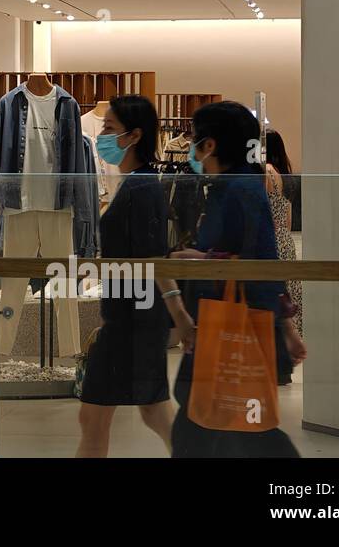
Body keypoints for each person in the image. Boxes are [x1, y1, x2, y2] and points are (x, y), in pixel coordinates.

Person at [169, 101, 307, 457]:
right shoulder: (229, 186)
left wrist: (202, 259)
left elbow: (261, 260)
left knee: (228, 422)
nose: (191, 148)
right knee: (219, 420)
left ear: (210, 145)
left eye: (195, 140)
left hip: (236, 323)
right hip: (227, 318)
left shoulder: (240, 188)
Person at [76, 95, 191, 457]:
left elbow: (153, 257)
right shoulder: (134, 184)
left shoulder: (141, 188)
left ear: (135, 136)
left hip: (134, 322)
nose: (102, 136)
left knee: (98, 415)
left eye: (110, 128)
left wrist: (180, 317)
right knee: (149, 412)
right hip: (131, 318)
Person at [264, 129, 303, 380]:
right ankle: (284, 364)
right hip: (284, 239)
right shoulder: (283, 175)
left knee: (274, 299)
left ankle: (279, 363)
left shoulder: (266, 172)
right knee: (285, 298)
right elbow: (286, 218)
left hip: (272, 240)